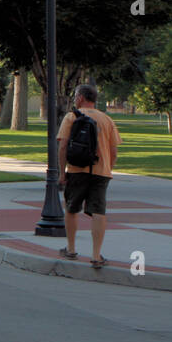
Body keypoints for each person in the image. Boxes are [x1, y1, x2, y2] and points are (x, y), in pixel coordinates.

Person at [56, 84, 121, 268]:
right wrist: (108, 168)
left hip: (77, 170)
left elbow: (62, 147)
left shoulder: (71, 117)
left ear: (81, 98)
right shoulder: (107, 119)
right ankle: (96, 255)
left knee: (71, 208)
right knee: (99, 212)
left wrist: (63, 173)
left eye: (76, 96)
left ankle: (71, 249)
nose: (75, 99)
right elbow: (114, 151)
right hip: (101, 172)